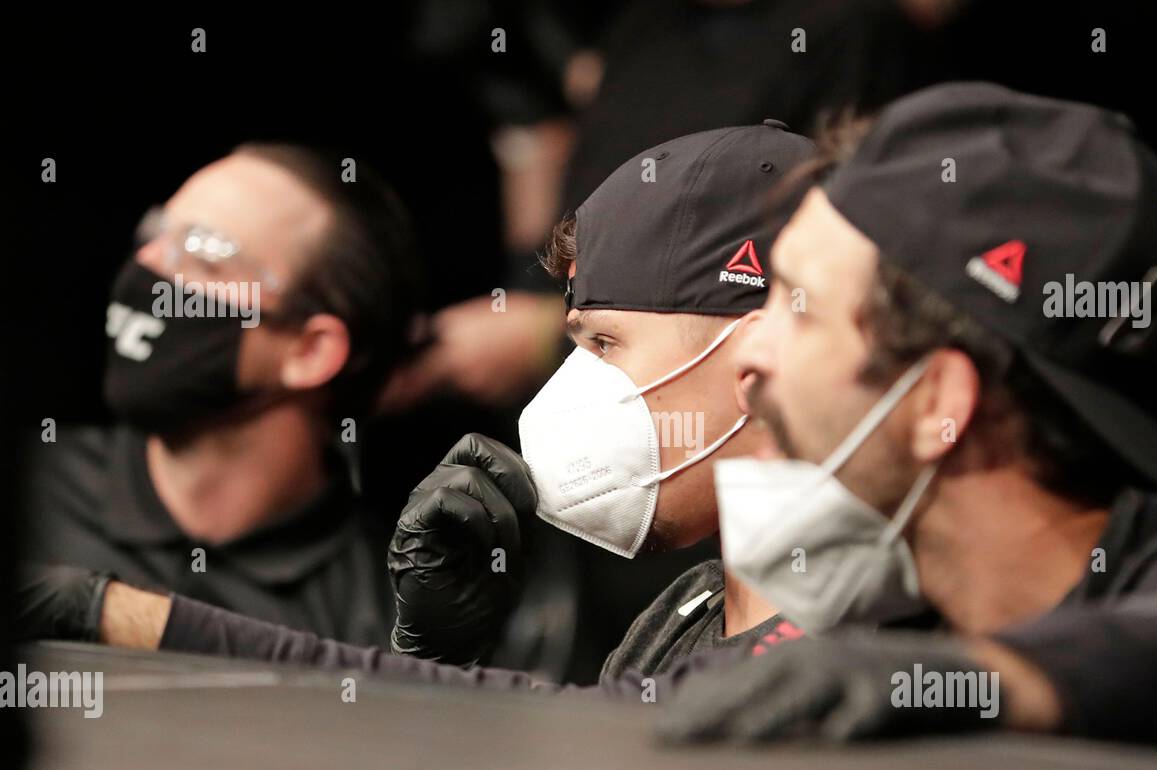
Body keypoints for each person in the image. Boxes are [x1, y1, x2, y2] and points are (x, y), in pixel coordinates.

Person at [18, 123, 820, 681]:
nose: (153, 270)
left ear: (761, 353)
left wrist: (112, 613)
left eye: (601, 343)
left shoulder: (869, 651)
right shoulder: (682, 615)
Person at [657, 83, 1157, 758]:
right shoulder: (897, 594)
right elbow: (641, 715)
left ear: (938, 401)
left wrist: (981, 682)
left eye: (801, 306)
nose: (751, 352)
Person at [19, 144, 424, 643]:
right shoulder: (26, 497)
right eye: (155, 234)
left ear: (310, 350)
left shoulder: (387, 616)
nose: (149, 268)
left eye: (204, 254)